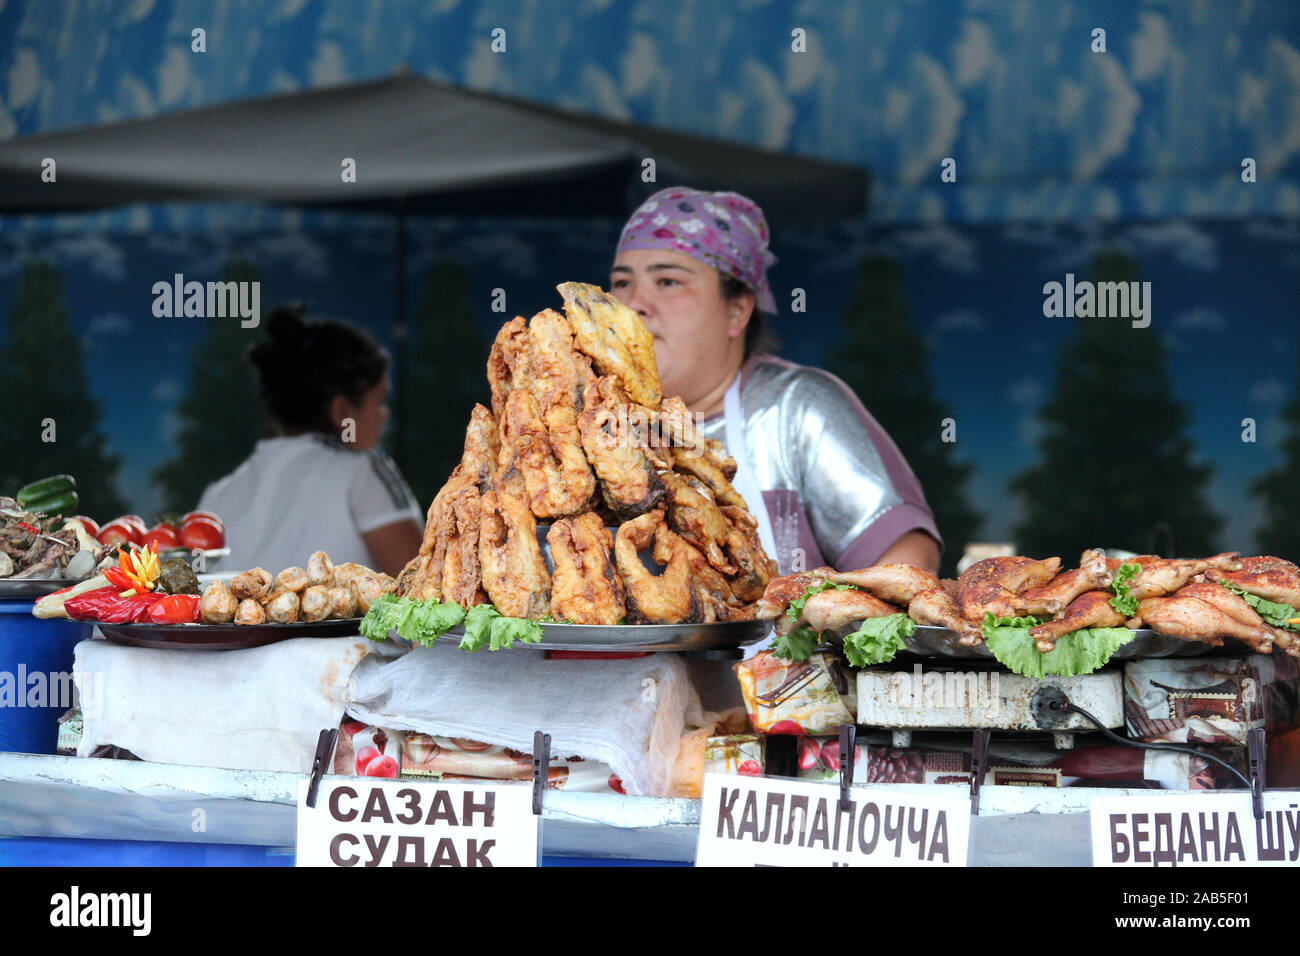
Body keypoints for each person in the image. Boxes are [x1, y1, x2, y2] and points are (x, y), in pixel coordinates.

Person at [610, 186, 942, 577]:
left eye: (668, 281)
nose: (634, 304)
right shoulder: (594, 425)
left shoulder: (796, 407)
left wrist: (810, 626)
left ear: (737, 311)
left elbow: (907, 563)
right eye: (621, 282)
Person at [198, 305, 423, 576]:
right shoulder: (364, 471)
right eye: (380, 402)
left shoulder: (217, 497)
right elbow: (428, 591)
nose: (385, 416)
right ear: (342, 412)